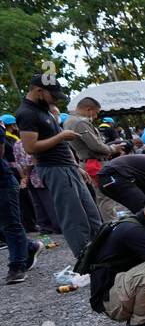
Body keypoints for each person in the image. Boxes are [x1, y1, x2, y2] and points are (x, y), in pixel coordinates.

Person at [15, 74, 101, 260]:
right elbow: (30, 148)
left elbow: (59, 145)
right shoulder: (27, 113)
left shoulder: (44, 110)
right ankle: (84, 258)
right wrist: (62, 137)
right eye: (52, 95)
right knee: (73, 216)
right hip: (54, 168)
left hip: (67, 166)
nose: (55, 99)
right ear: (39, 91)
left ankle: (102, 250)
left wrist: (74, 165)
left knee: (91, 212)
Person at [2, 116, 42, 284]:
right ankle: (29, 247)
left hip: (2, 182)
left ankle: (17, 266)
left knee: (10, 223)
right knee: (4, 225)